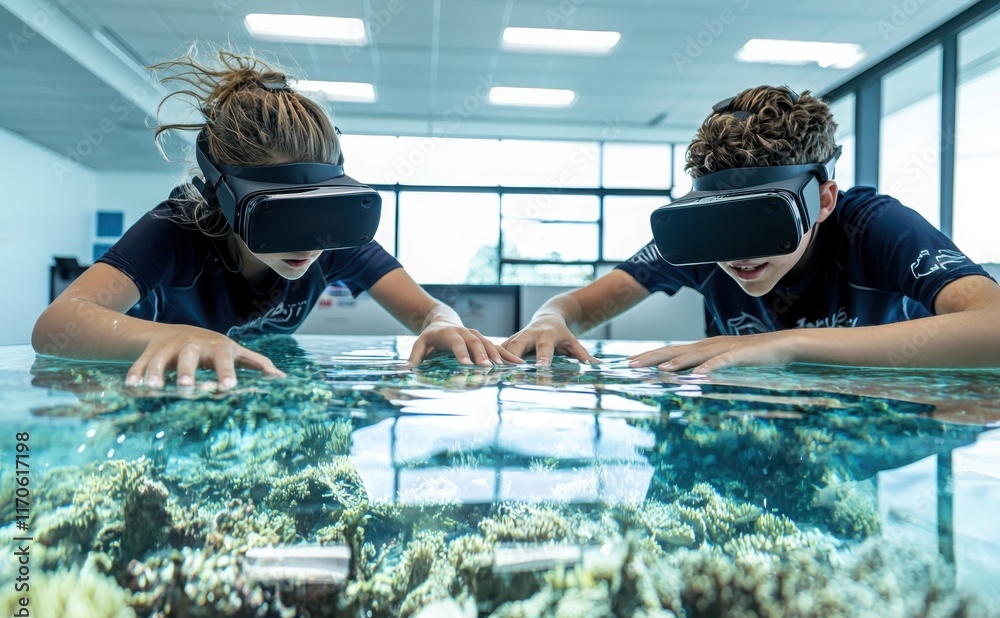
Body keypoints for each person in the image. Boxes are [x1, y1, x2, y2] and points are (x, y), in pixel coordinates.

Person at [32, 49, 521, 388]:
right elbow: (57, 324)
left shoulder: (333, 238)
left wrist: (442, 323)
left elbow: (428, 312)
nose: (308, 244)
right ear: (221, 197)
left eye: (320, 212)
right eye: (282, 216)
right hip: (144, 378)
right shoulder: (179, 228)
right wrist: (179, 335)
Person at [502, 85, 1000, 372]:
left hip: (864, 419)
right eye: (722, 222)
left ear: (822, 201)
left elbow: (993, 327)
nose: (737, 254)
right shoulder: (699, 241)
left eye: (759, 219)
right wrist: (550, 318)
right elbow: (575, 308)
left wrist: (780, 346)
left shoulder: (872, 228)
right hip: (745, 425)